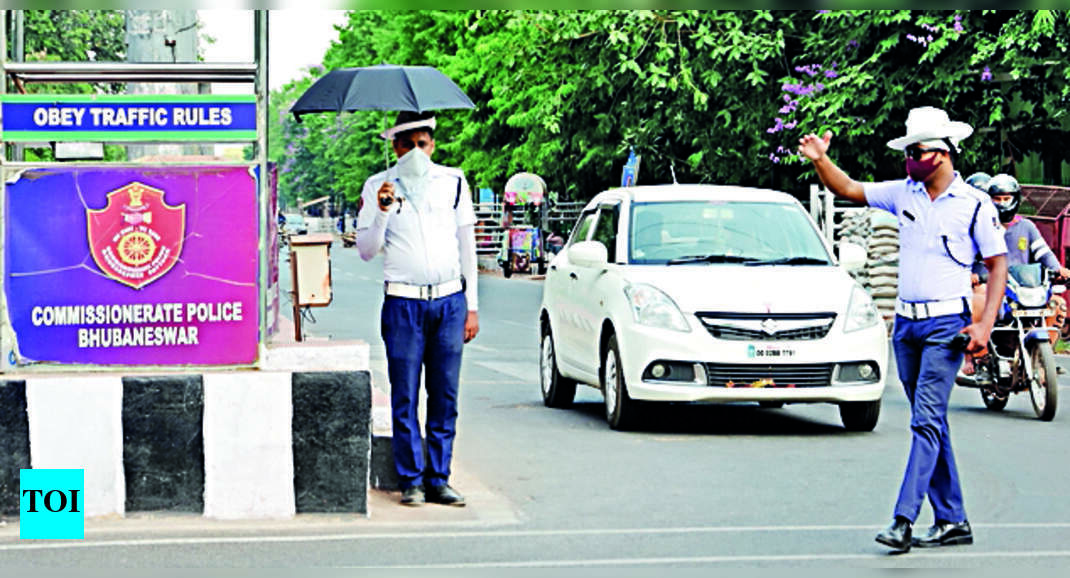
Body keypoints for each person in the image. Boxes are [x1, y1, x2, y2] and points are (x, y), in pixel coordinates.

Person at [798, 106, 1008, 553]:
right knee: (929, 422)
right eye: (908, 151)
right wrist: (820, 160)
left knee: (926, 421)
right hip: (907, 325)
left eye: (919, 151)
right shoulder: (904, 193)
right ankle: (953, 519)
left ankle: (903, 519)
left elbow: (997, 264)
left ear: (945, 153)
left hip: (946, 326)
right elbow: (851, 189)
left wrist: (984, 325)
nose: (911, 158)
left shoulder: (974, 204)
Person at [355, 110, 480, 507]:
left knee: (445, 394)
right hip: (403, 302)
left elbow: (467, 247)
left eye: (422, 144)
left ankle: (438, 477)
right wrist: (381, 210)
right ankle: (410, 479)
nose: (415, 153)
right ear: (394, 146)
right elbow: (366, 250)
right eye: (407, 145)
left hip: (448, 300)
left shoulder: (453, 182)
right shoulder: (380, 186)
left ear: (433, 144)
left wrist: (471, 306)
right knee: (405, 395)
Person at [962, 174, 1070, 380]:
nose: (1002, 203)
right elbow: (965, 257)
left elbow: (1043, 253)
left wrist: (1059, 269)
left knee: (1056, 304)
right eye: (997, 199)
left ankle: (1042, 358)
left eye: (1007, 198)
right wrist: (970, 274)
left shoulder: (1026, 227)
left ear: (1016, 199)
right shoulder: (981, 227)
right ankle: (979, 357)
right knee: (977, 300)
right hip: (990, 285)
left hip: (1023, 289)